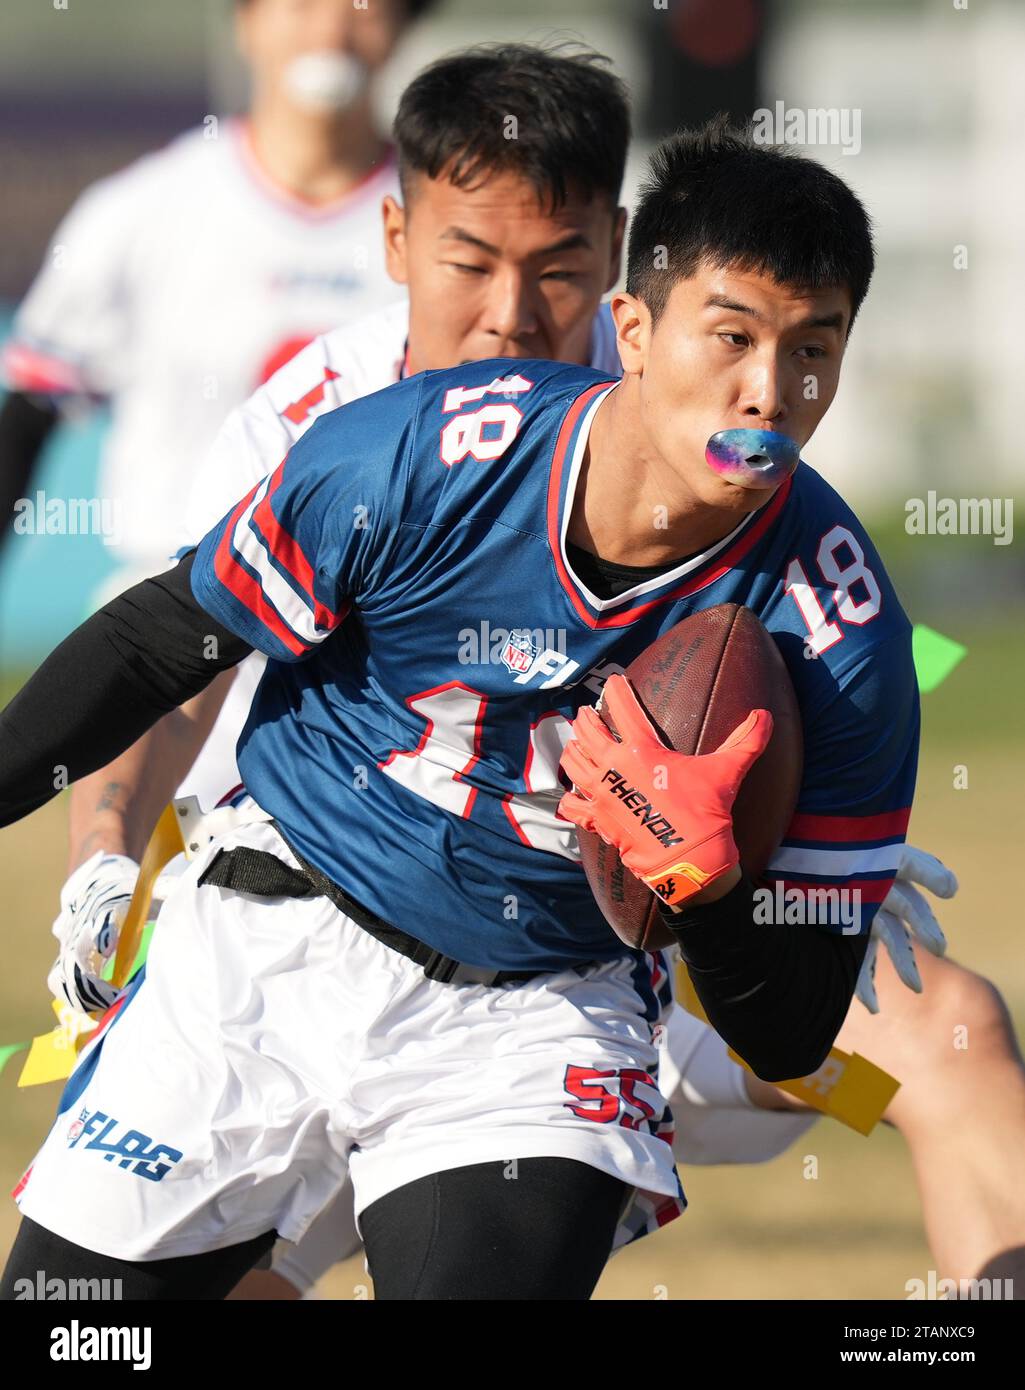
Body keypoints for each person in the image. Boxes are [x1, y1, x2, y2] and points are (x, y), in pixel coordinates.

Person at [0, 116, 924, 1300]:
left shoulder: (836, 627)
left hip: (533, 1011)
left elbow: (791, 1034)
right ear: (631, 331)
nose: (769, 390)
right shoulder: (427, 455)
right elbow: (156, 643)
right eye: (732, 335)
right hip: (270, 939)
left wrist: (703, 889)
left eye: (813, 348)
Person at [0, 0, 436, 587]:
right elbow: (31, 413)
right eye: (303, 5)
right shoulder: (140, 209)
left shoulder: (446, 225)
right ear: (245, 20)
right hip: (175, 593)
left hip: (377, 606)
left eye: (365, 7)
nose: (332, 28)